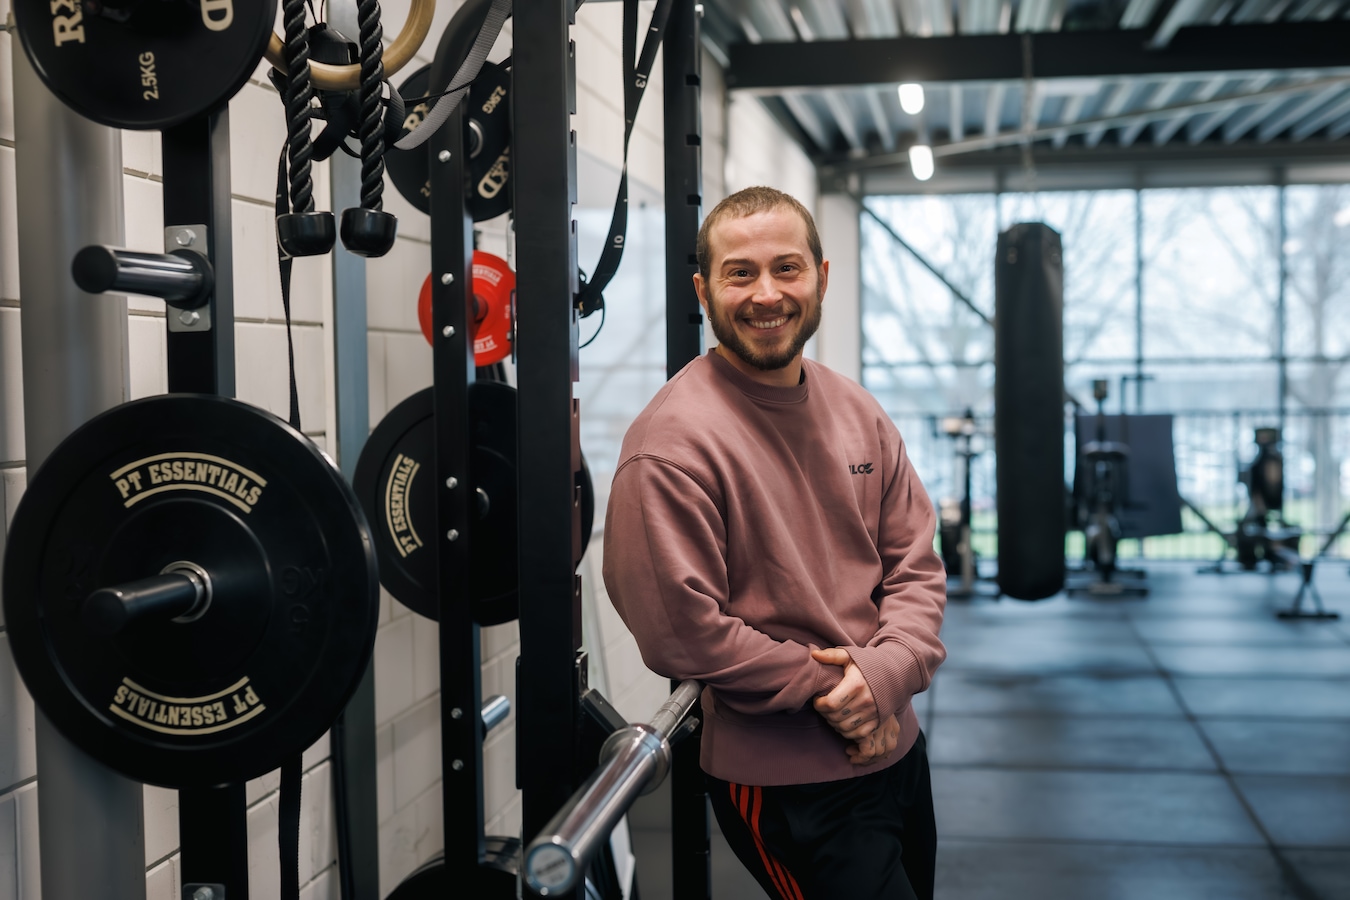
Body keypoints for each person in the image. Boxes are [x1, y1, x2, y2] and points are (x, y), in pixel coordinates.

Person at [602, 186, 947, 899]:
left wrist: (888, 675)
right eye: (740, 273)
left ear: (822, 276)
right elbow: (683, 635)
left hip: (899, 751)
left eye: (787, 268)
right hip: (793, 782)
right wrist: (846, 690)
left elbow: (914, 563)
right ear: (704, 290)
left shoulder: (859, 411)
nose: (767, 294)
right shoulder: (671, 444)